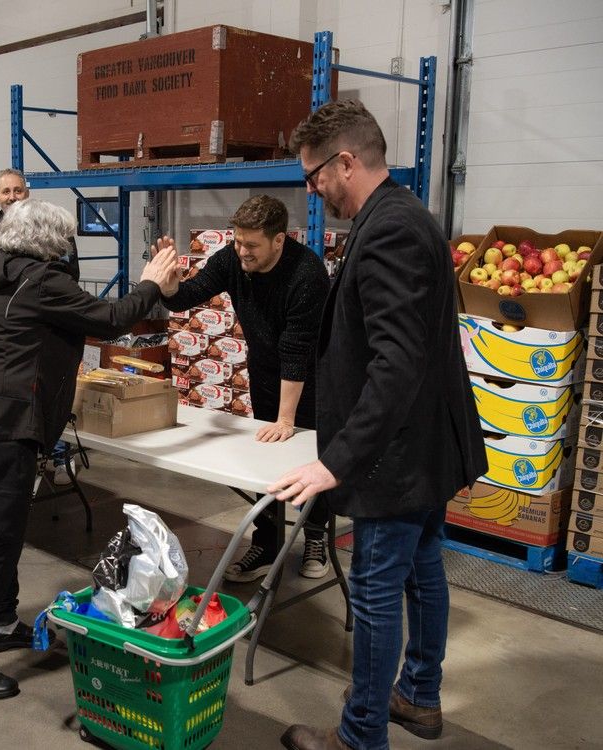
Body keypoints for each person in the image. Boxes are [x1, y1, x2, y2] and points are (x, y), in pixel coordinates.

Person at [269, 100, 487, 750]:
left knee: (374, 591)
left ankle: (361, 736)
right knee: (422, 572)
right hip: (422, 447)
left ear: (346, 161)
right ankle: (417, 697)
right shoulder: (401, 218)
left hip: (396, 456)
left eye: (314, 176)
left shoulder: (391, 230)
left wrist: (336, 460)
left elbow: (396, 363)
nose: (311, 189)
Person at [0, 199, 179, 700]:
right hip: (4, 424)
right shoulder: (41, 281)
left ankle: (1, 623)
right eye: (67, 239)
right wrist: (151, 282)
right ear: (53, 242)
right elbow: (111, 319)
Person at [156, 195, 332, 581]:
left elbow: (297, 349)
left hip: (314, 380)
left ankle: (316, 537)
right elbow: (191, 293)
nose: (242, 251)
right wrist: (169, 287)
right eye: (237, 241)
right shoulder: (231, 259)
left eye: (251, 245)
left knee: (310, 460)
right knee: (264, 462)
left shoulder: (308, 273)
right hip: (265, 373)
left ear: (279, 240)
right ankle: (267, 544)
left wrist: (287, 419)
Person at [0, 168, 82, 486]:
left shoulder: (53, 229)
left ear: (26, 192)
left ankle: (56, 455)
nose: (13, 196)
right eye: (6, 192)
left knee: (52, 385)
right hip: (15, 332)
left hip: (49, 322)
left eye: (18, 190)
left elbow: (72, 273)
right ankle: (36, 457)